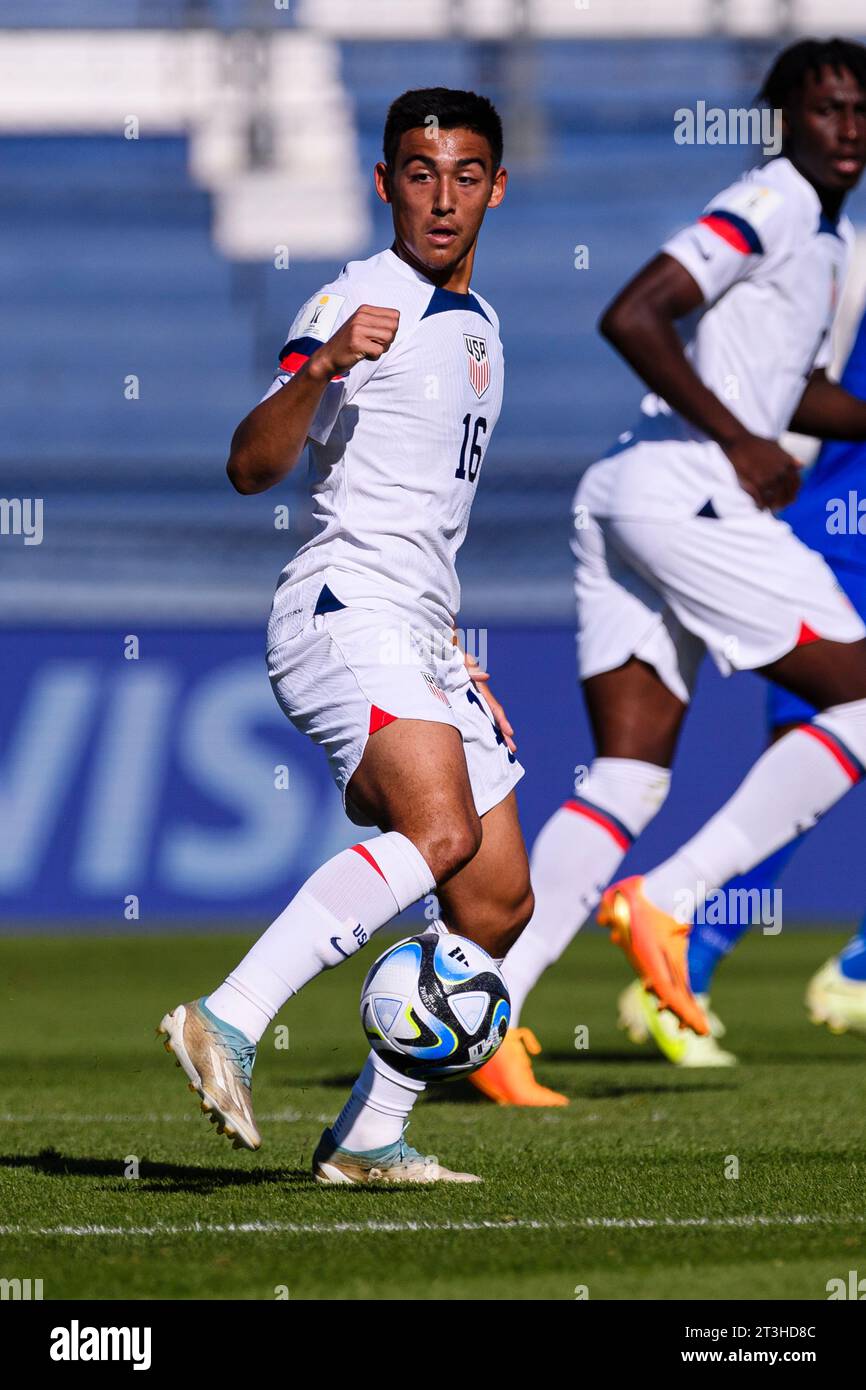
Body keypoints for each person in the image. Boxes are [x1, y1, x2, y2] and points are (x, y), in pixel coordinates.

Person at [472, 37, 866, 1105]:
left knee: (628, 774)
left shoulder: (823, 241)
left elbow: (790, 392)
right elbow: (633, 312)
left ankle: (489, 1019)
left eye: (857, 111)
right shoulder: (773, 199)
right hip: (686, 488)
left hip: (628, 491)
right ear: (783, 116)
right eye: (824, 107)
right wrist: (737, 442)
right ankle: (675, 895)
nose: (845, 128)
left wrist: (788, 422)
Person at [158, 88, 535, 1181]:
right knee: (439, 834)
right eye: (419, 173)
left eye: (466, 174)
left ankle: (369, 1135)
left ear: (496, 188)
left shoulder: (481, 325)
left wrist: (453, 654)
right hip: (340, 608)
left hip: (416, 624)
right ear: (383, 184)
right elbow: (248, 465)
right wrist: (319, 364)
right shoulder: (356, 298)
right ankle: (225, 1017)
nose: (442, 196)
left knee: (496, 897)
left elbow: (419, 508)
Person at [624, 299, 866, 1066]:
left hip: (831, 530)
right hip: (847, 543)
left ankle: (694, 944)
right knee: (814, 757)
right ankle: (682, 946)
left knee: (817, 758)